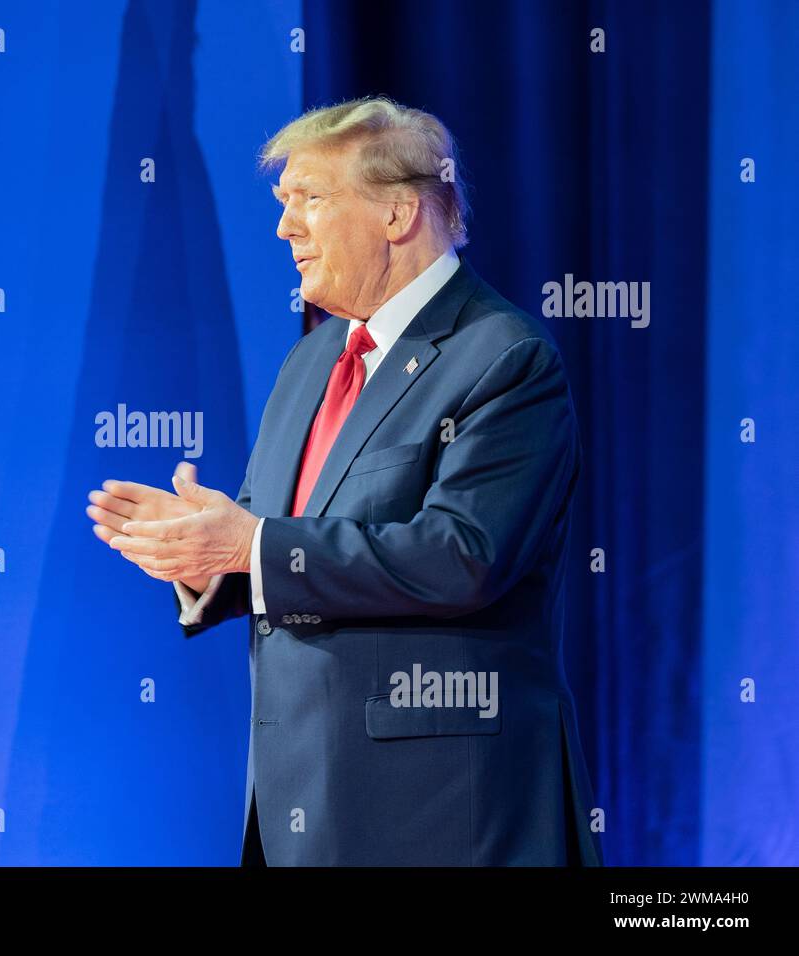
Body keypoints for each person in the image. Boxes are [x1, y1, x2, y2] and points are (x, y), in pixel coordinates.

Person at [87, 96, 603, 867]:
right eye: (283, 204)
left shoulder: (503, 358)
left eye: (310, 201)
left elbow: (462, 556)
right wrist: (201, 556)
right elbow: (280, 544)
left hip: (443, 818)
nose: (284, 228)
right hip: (303, 808)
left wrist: (249, 545)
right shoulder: (312, 361)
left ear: (397, 212)